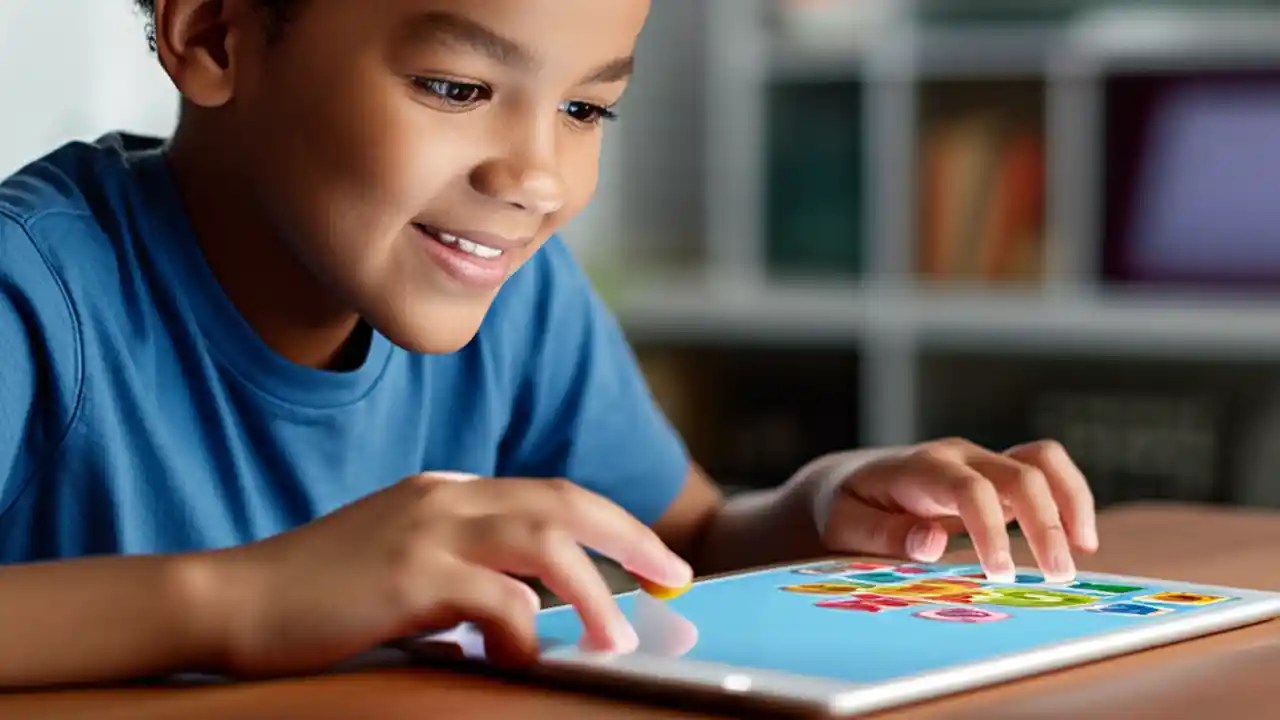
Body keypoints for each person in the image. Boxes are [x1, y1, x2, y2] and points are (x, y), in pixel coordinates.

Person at [0, 0, 1097, 688]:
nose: (535, 180)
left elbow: (684, 544)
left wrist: (819, 508)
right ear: (214, 32)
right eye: (455, 88)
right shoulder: (35, 292)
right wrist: (245, 599)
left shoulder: (507, 296)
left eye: (584, 112)